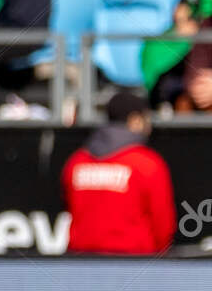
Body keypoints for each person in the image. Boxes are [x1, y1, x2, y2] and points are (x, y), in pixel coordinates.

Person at [62, 90, 175, 254]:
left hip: (82, 265)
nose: (149, 127)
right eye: (147, 119)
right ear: (135, 121)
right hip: (134, 264)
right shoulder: (147, 164)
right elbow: (163, 224)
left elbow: (67, 207)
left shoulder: (76, 161)